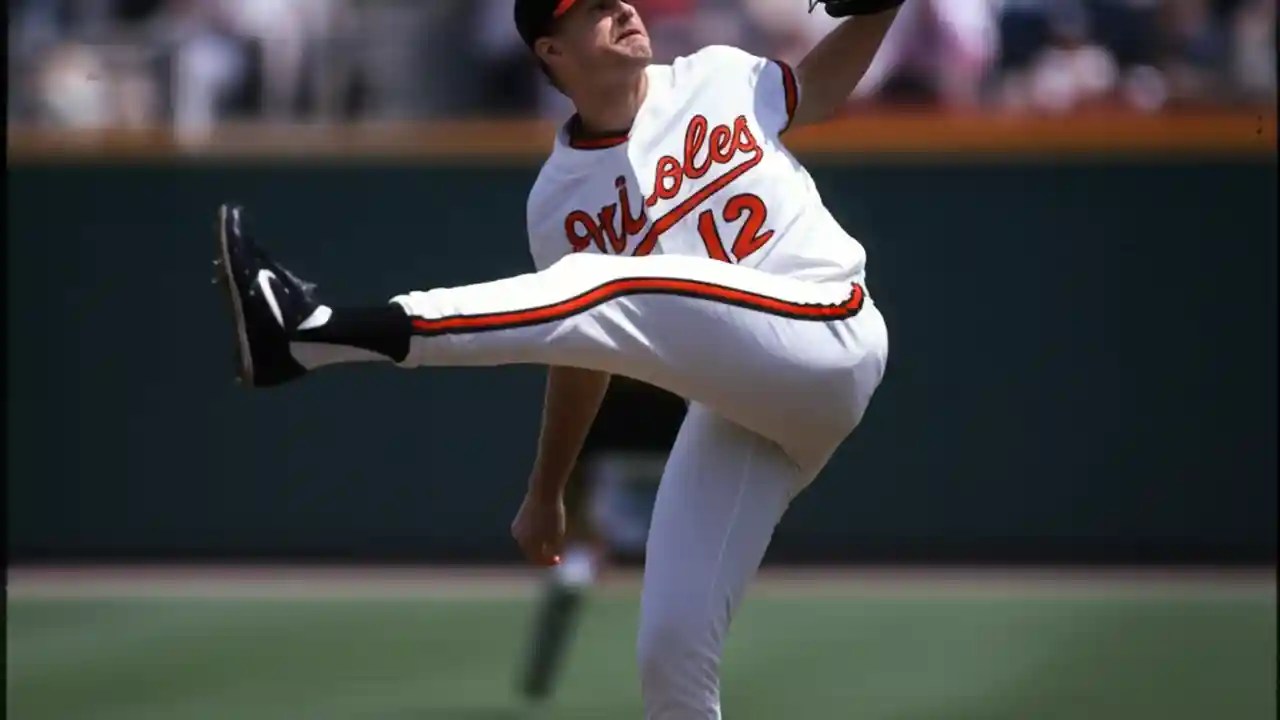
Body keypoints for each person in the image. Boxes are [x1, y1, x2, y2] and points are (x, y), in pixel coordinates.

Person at [211, 1, 899, 717]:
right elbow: (582, 342)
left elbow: (815, 89)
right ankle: (300, 338)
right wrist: (547, 491)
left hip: (832, 326)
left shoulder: (716, 76)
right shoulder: (559, 197)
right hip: (750, 405)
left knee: (604, 279)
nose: (624, 11)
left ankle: (311, 333)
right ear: (553, 52)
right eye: (596, 10)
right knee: (670, 648)